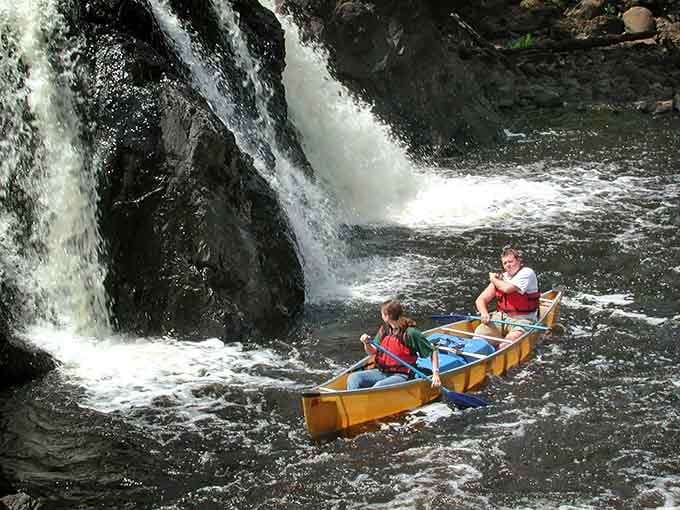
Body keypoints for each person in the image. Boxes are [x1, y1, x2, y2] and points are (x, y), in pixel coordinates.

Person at [347, 299, 441, 390]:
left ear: (387, 316)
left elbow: (433, 351)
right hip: (382, 372)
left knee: (379, 387)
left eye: (382, 314)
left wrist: (436, 375)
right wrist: (366, 343)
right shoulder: (384, 330)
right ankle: (352, 403)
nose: (381, 316)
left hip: (402, 375)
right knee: (354, 378)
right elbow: (372, 352)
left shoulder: (411, 333)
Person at [474, 246, 540, 344]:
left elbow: (507, 289)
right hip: (502, 318)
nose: (508, 265)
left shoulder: (527, 273)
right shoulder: (501, 278)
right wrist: (484, 313)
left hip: (524, 320)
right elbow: (480, 299)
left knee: (508, 343)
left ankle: (500, 351)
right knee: (478, 337)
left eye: (510, 261)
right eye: (505, 263)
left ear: (518, 261)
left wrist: (493, 279)